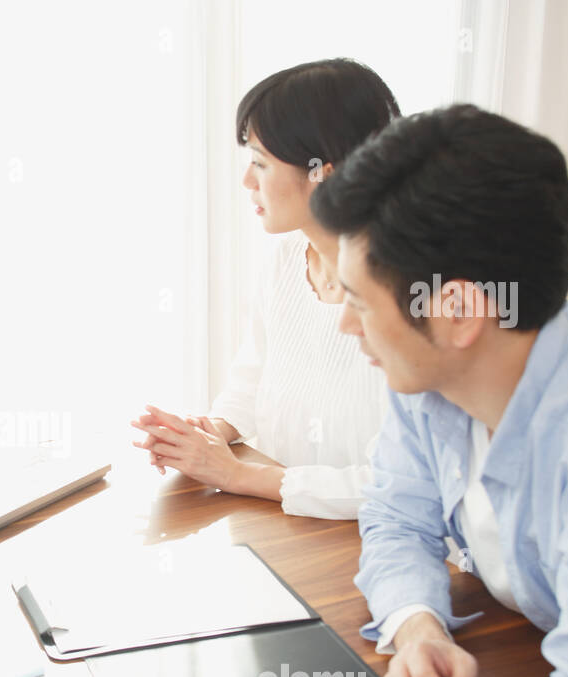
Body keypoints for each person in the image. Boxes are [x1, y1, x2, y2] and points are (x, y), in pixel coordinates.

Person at [153, 104, 568, 677]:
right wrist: (415, 619)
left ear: (457, 312)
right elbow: (395, 518)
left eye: (361, 301)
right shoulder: (435, 374)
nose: (343, 322)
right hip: (542, 662)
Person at [132, 59, 399, 519]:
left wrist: (235, 475)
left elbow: (391, 484)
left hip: (370, 546)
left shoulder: (411, 296)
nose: (246, 181)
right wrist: (207, 434)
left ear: (325, 173)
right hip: (284, 525)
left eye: (260, 162)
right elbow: (251, 382)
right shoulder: (286, 260)